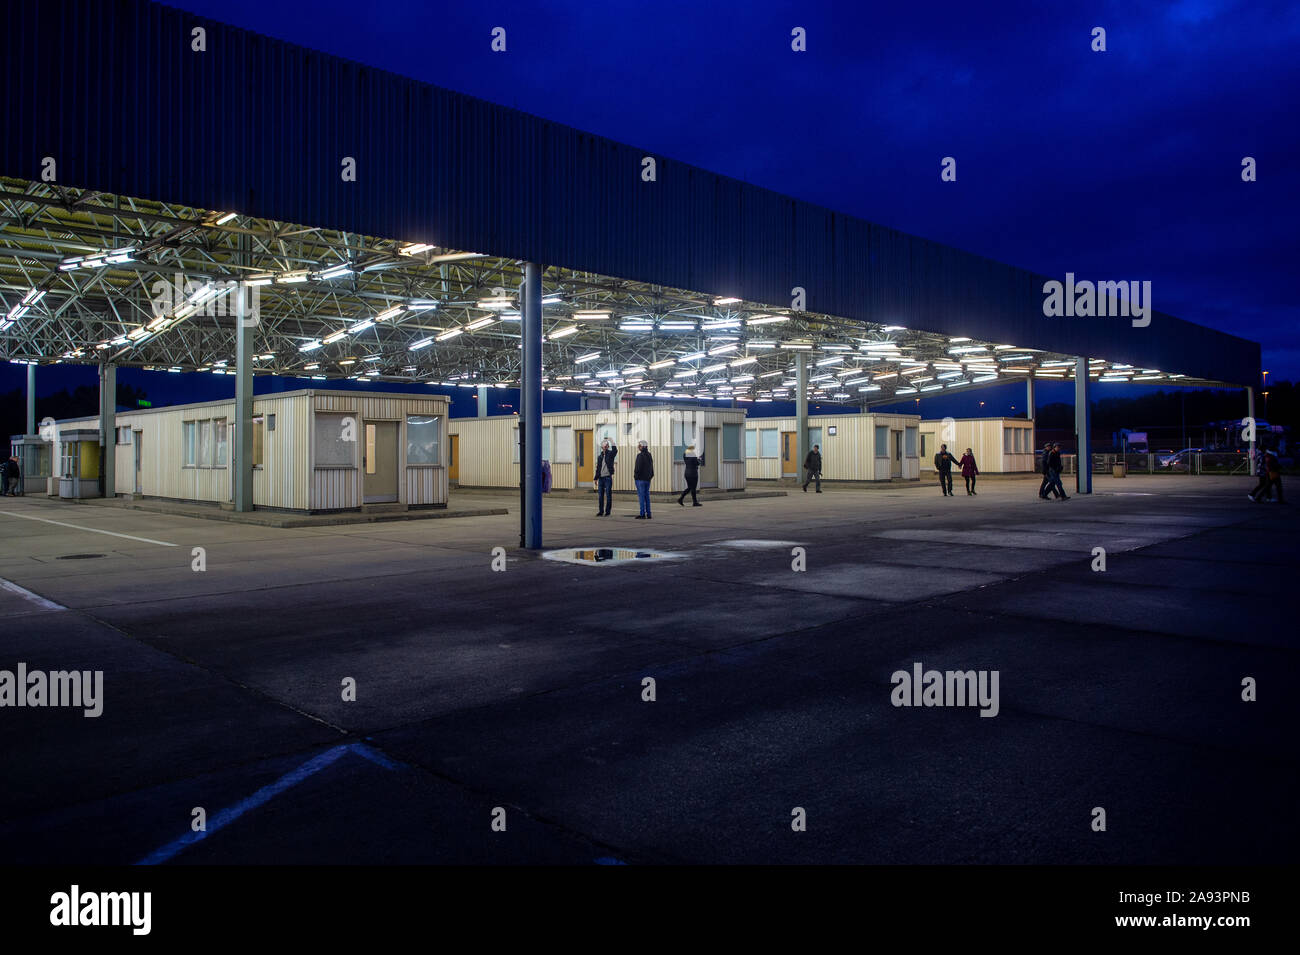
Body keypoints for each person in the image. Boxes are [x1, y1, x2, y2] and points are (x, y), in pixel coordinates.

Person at [594, 438, 616, 516]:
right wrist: (596, 478)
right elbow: (598, 468)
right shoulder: (600, 456)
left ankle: (608, 512)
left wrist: (611, 441)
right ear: (602, 447)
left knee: (608, 495)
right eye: (604, 445)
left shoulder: (610, 454)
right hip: (601, 478)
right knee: (600, 496)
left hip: (607, 478)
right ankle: (601, 511)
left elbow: (615, 451)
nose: (606, 447)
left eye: (607, 445)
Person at [633, 440, 654, 519]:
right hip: (647, 479)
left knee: (641, 497)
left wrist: (635, 476)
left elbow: (638, 468)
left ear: (642, 446)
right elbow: (651, 468)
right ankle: (649, 514)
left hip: (640, 479)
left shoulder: (640, 456)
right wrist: (650, 476)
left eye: (639, 445)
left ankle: (642, 514)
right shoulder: (649, 455)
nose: (638, 447)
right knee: (647, 497)